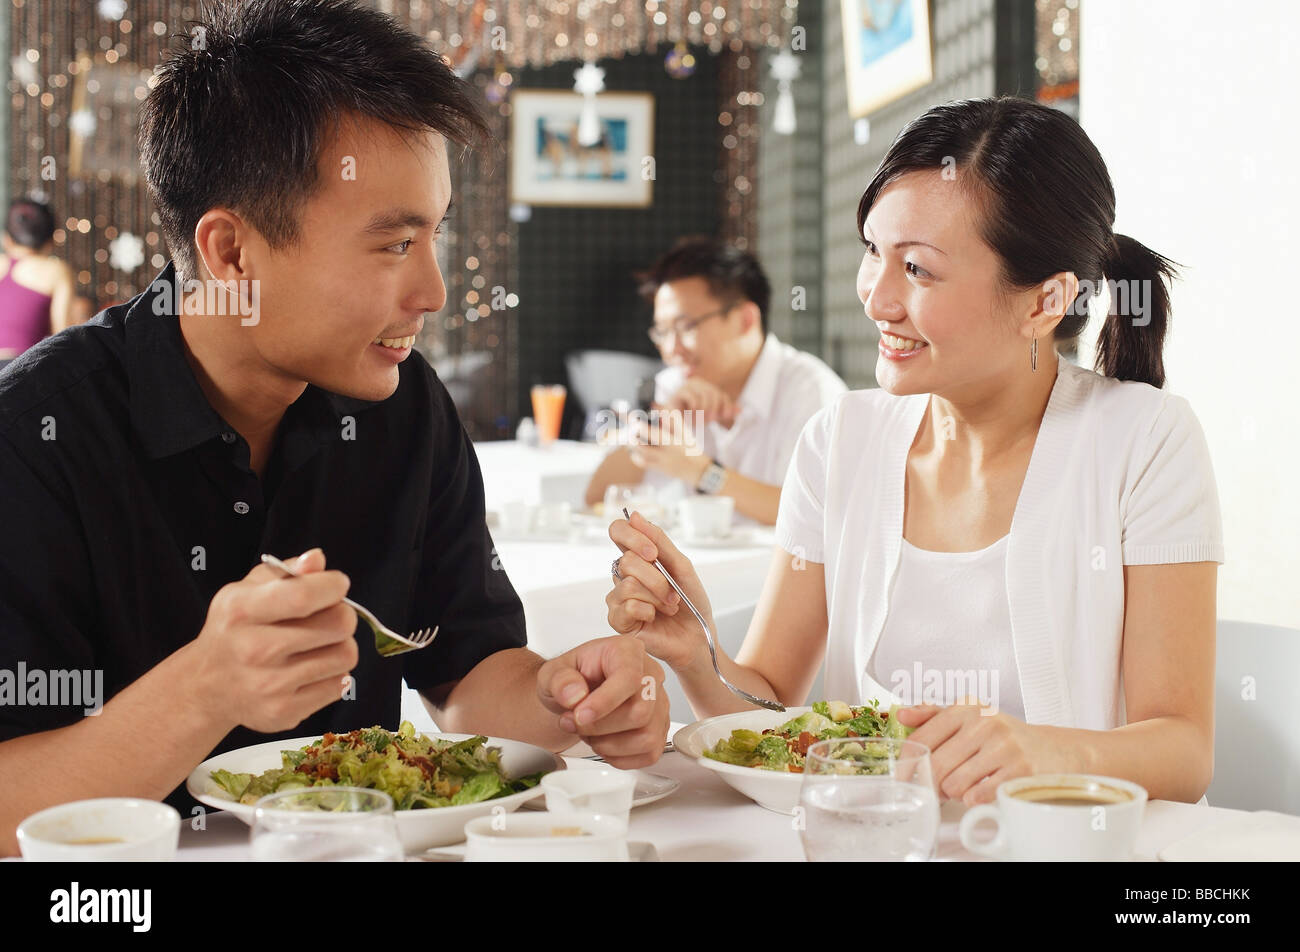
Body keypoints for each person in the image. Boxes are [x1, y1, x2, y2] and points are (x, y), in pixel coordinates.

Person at [0, 0, 667, 855]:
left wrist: (563, 697)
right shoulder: (37, 439)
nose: (431, 291)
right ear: (232, 253)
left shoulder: (404, 406)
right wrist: (204, 691)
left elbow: (463, 671)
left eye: (436, 235)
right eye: (393, 244)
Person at [605, 97, 1223, 806]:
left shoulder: (1145, 440)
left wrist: (1041, 752)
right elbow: (773, 710)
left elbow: (1183, 750)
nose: (877, 299)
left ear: (1044, 302)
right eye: (874, 252)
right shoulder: (840, 441)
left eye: (919, 270)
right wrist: (699, 656)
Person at [584, 237, 846, 525]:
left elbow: (816, 514)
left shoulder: (811, 392)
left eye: (685, 327)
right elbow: (598, 497)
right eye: (662, 332)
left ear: (745, 320)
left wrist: (701, 471)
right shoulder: (674, 384)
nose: (671, 349)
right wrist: (657, 424)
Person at [0, 198, 75, 370]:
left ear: (6, 239)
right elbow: (62, 333)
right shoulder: (55, 271)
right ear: (51, 241)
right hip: (21, 371)